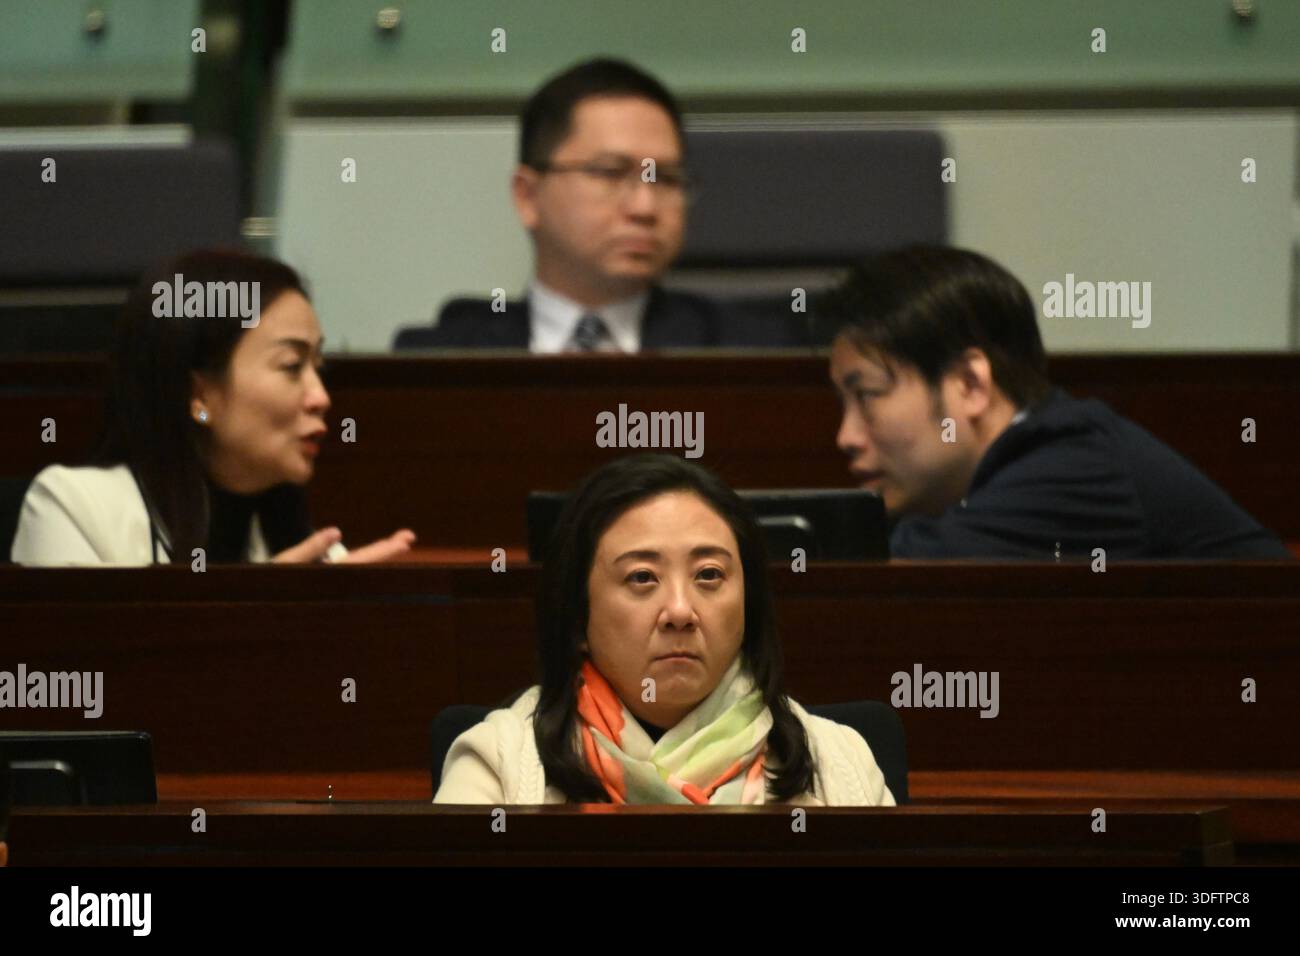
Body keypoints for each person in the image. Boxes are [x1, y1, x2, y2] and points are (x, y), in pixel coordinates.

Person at [435, 453, 894, 805]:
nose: (679, 611)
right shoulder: (498, 765)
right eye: (642, 578)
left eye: (709, 575)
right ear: (577, 617)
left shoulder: (841, 763)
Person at [818, 245, 1291, 560]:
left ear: (969, 383)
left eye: (868, 395)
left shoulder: (1075, 465)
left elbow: (885, 565)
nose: (846, 437)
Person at [12, 248, 416, 566]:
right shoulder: (74, 507)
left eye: (318, 367)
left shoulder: (307, 543)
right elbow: (99, 667)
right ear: (200, 395)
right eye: (292, 366)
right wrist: (267, 607)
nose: (321, 398)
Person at [406, 58, 801, 352]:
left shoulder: (747, 352)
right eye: (611, 173)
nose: (645, 207)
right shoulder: (438, 360)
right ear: (528, 196)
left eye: (665, 178)